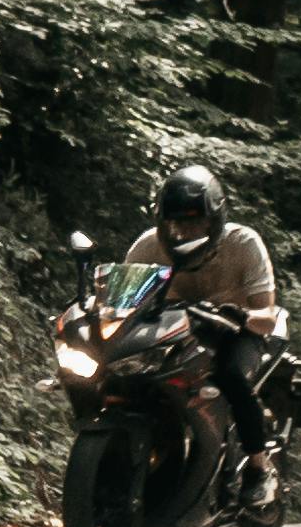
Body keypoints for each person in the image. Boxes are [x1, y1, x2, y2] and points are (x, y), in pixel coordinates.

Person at [119, 164, 281, 488]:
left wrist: (243, 317)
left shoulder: (244, 244)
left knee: (231, 376)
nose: (185, 231)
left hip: (235, 333)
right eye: (176, 222)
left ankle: (259, 470)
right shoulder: (147, 246)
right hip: (173, 332)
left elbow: (267, 316)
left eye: (195, 221)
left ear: (215, 218)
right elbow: (120, 305)